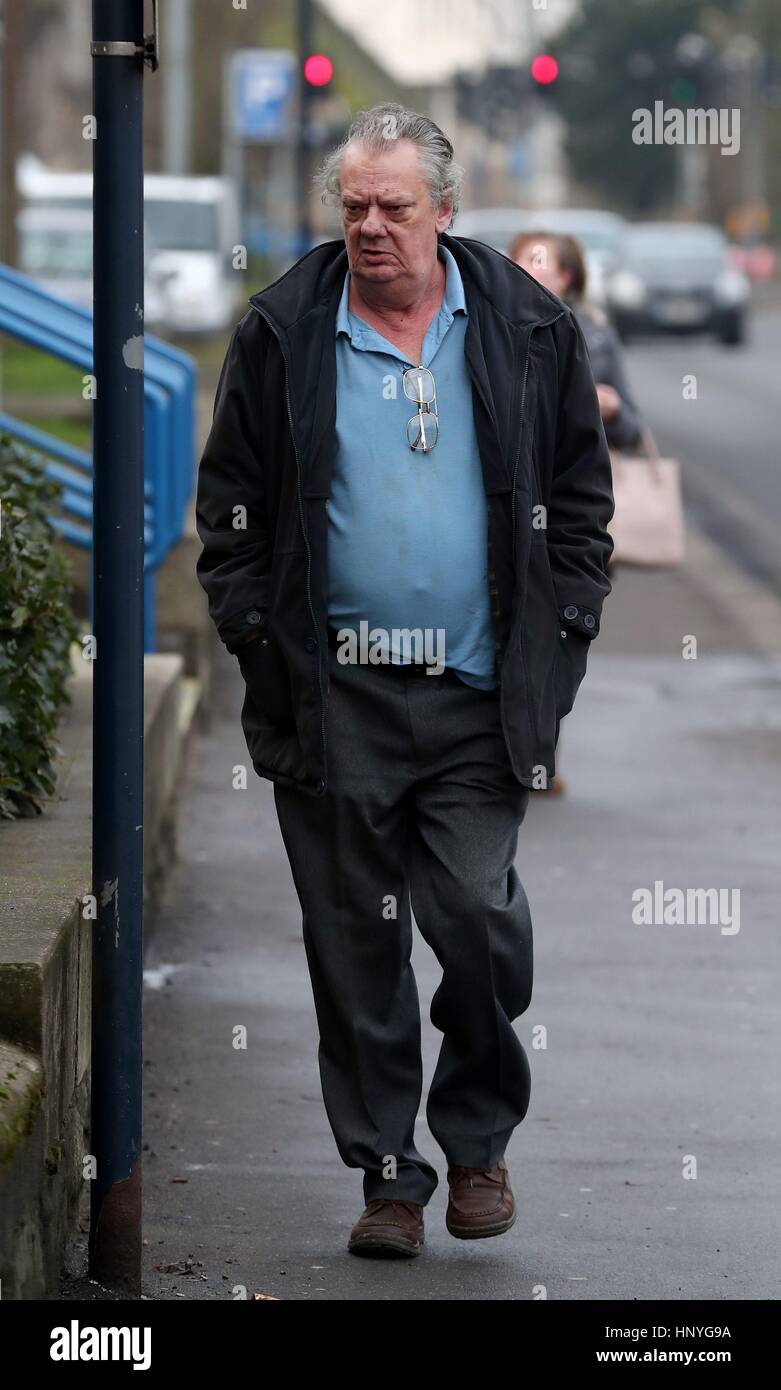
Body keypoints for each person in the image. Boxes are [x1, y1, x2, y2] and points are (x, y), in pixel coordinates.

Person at [195, 104, 614, 1259]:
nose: (371, 228)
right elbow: (230, 507)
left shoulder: (528, 326)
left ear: (443, 209)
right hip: (333, 699)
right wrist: (252, 631)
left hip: (477, 695)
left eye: (394, 207)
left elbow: (579, 496)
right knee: (354, 947)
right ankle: (388, 1177)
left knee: (474, 915)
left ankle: (477, 1143)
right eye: (354, 207)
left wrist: (565, 625)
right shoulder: (285, 329)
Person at [509, 230, 643, 453]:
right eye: (514, 259)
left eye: (536, 260)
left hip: (575, 480)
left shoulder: (598, 337)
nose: (519, 267)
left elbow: (632, 432)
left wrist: (611, 412)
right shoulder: (492, 329)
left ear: (564, 277)